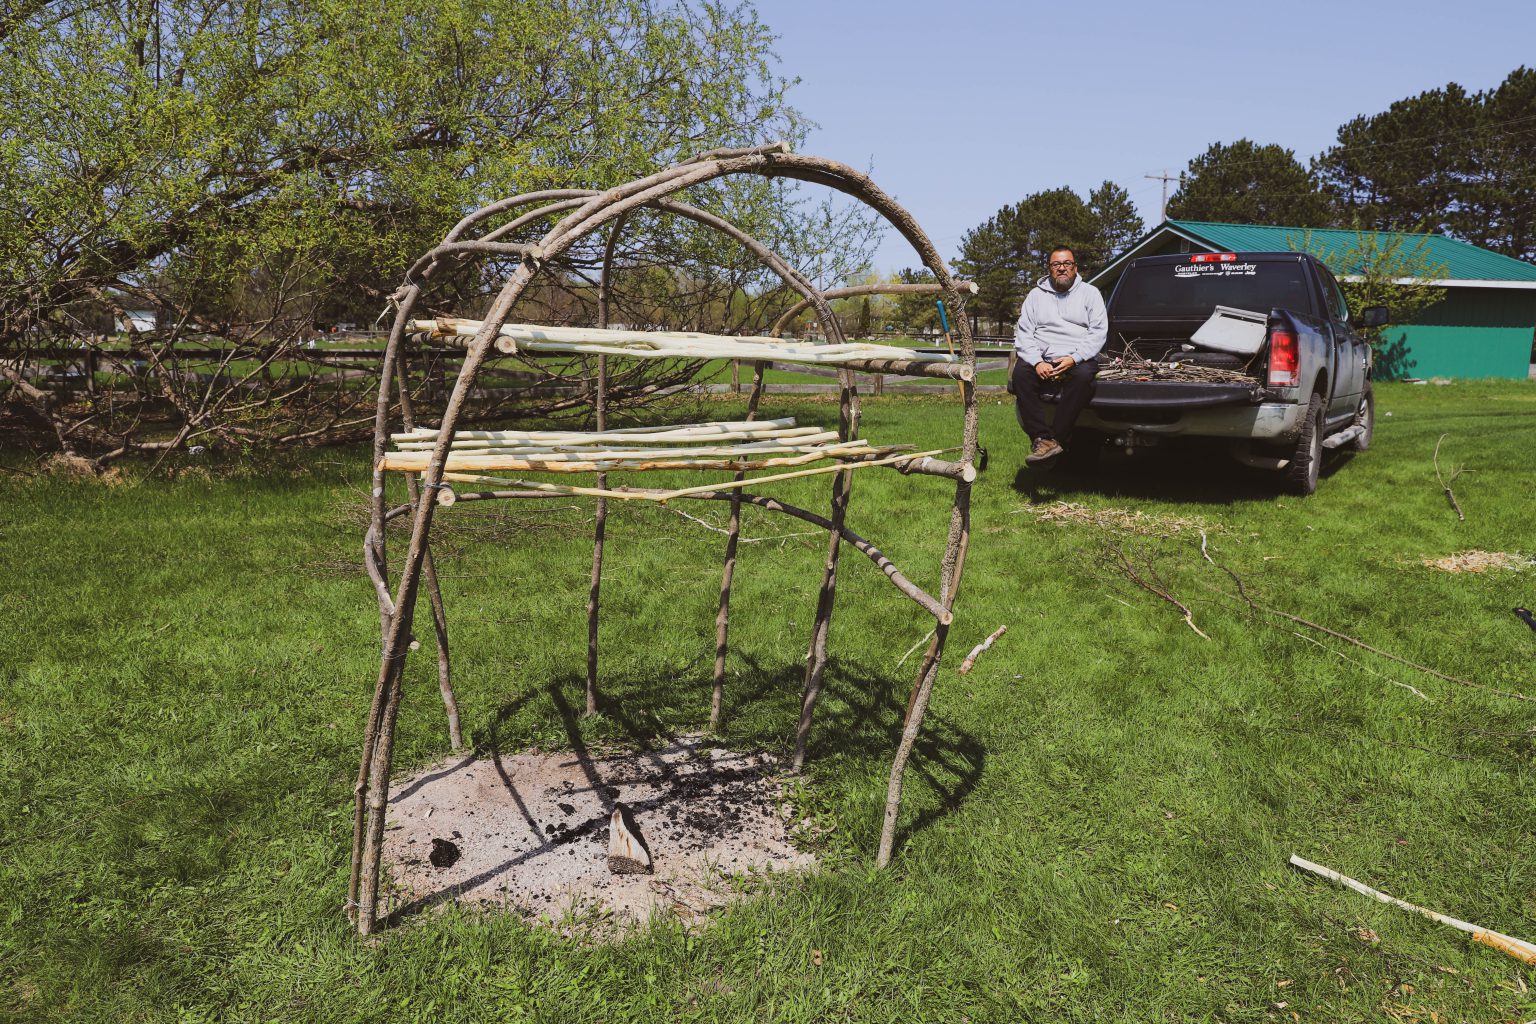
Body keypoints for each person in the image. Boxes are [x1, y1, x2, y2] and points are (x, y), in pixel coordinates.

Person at [1011, 246, 1107, 464]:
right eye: (1056, 264)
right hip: (1043, 356)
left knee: (1084, 378)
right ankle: (1041, 438)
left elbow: (1098, 332)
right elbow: (1024, 333)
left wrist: (1074, 358)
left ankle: (1057, 437)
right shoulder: (1035, 296)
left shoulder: (1090, 294)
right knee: (1021, 374)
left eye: (1067, 264)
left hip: (1077, 356)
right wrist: (1036, 362)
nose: (1062, 268)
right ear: (1049, 269)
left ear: (1075, 268)